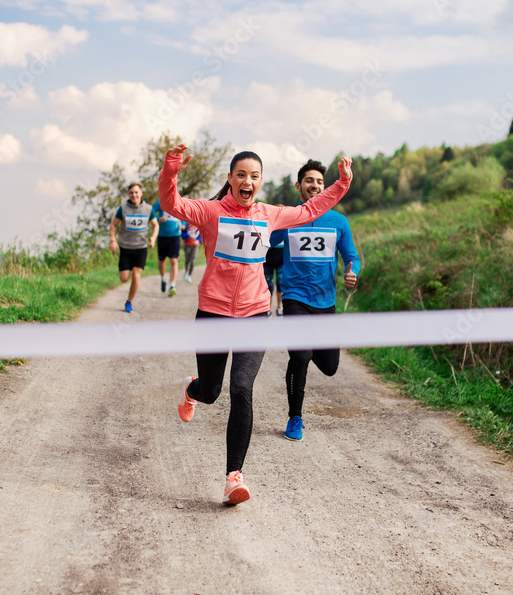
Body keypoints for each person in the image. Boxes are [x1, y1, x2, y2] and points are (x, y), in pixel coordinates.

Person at [160, 144, 352, 505]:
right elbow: (172, 204)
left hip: (254, 314)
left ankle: (234, 477)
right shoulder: (210, 211)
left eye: (254, 176)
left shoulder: (269, 214)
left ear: (260, 182)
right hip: (214, 314)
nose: (247, 181)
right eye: (241, 174)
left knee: (241, 388)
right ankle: (192, 390)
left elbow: (311, 208)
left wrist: (341, 184)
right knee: (212, 391)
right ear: (231, 179)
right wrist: (170, 170)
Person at [269, 159, 361, 441]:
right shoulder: (290, 216)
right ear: (299, 186)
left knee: (330, 367)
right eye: (309, 181)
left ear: (327, 187)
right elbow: (268, 242)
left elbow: (352, 258)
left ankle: (305, 355)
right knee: (301, 355)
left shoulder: (338, 221)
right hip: (295, 298)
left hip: (325, 302)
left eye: (320, 182)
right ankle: (295, 417)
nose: (315, 186)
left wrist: (351, 273)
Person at [108, 183, 158, 313]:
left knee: (136, 276)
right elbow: (113, 225)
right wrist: (113, 240)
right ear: (128, 194)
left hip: (141, 248)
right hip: (125, 248)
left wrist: (153, 238)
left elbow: (155, 225)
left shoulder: (148, 209)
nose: (134, 195)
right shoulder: (123, 209)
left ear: (141, 193)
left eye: (136, 192)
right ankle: (127, 276)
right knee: (124, 278)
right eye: (131, 193)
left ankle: (129, 302)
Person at [150, 198, 184, 297]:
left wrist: (183, 224)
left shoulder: (179, 201)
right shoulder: (160, 201)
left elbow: (185, 215)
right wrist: (158, 219)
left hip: (175, 236)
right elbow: (151, 213)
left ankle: (172, 286)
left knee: (174, 261)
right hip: (162, 236)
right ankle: (163, 278)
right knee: (162, 261)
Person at [263, 233, 284, 316]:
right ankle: (268, 308)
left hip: (281, 257)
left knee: (280, 284)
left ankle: (279, 306)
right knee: (268, 286)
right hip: (267, 258)